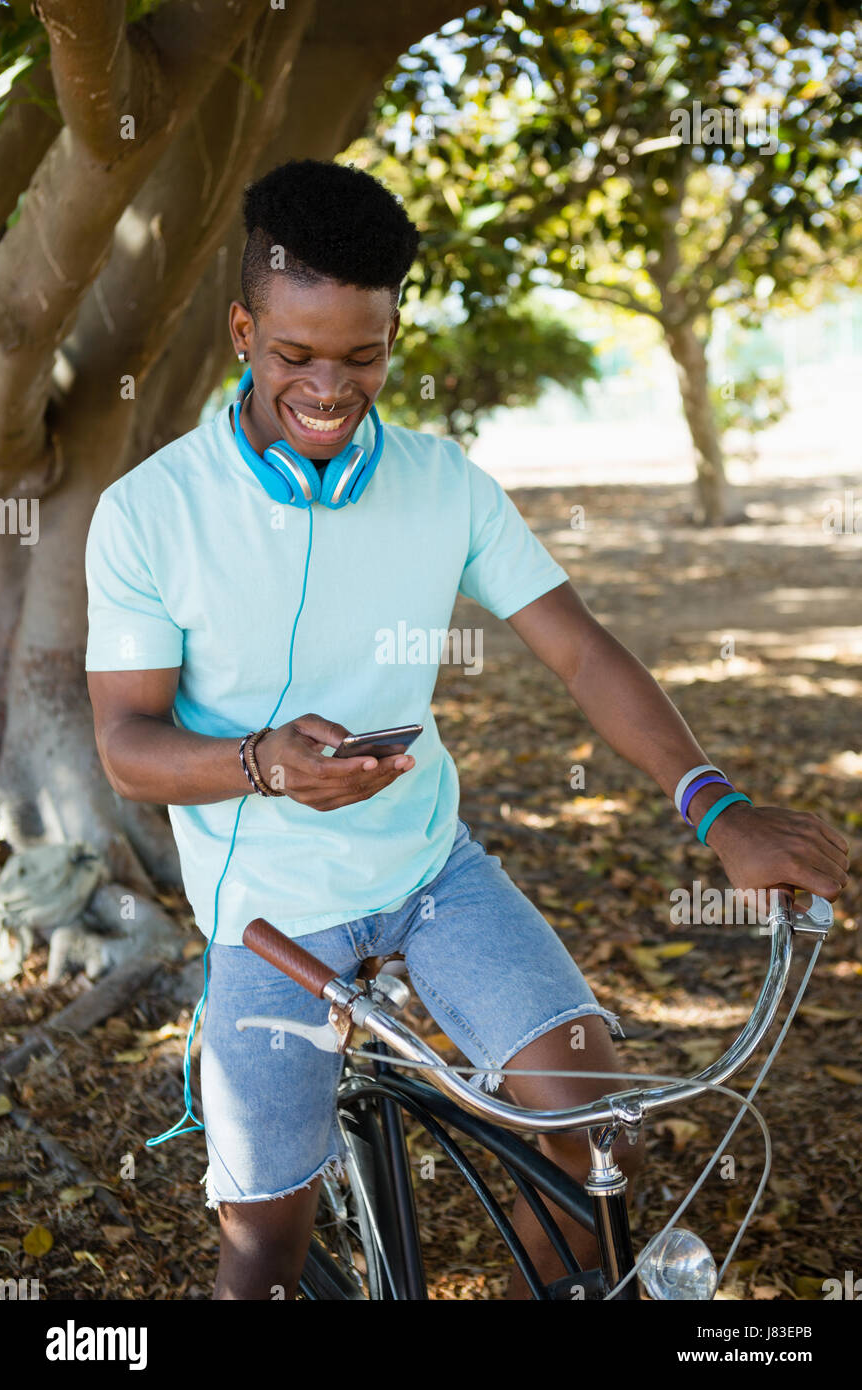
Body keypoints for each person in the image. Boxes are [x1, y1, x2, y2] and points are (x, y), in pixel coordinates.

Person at [84, 159, 849, 1301]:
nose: (331, 388)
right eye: (295, 355)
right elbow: (126, 744)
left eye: (363, 354)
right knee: (260, 1254)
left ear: (394, 335)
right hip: (268, 917)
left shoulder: (445, 484)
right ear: (244, 329)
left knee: (598, 1144)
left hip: (434, 872)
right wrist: (263, 767)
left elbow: (580, 648)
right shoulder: (149, 512)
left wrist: (716, 805)